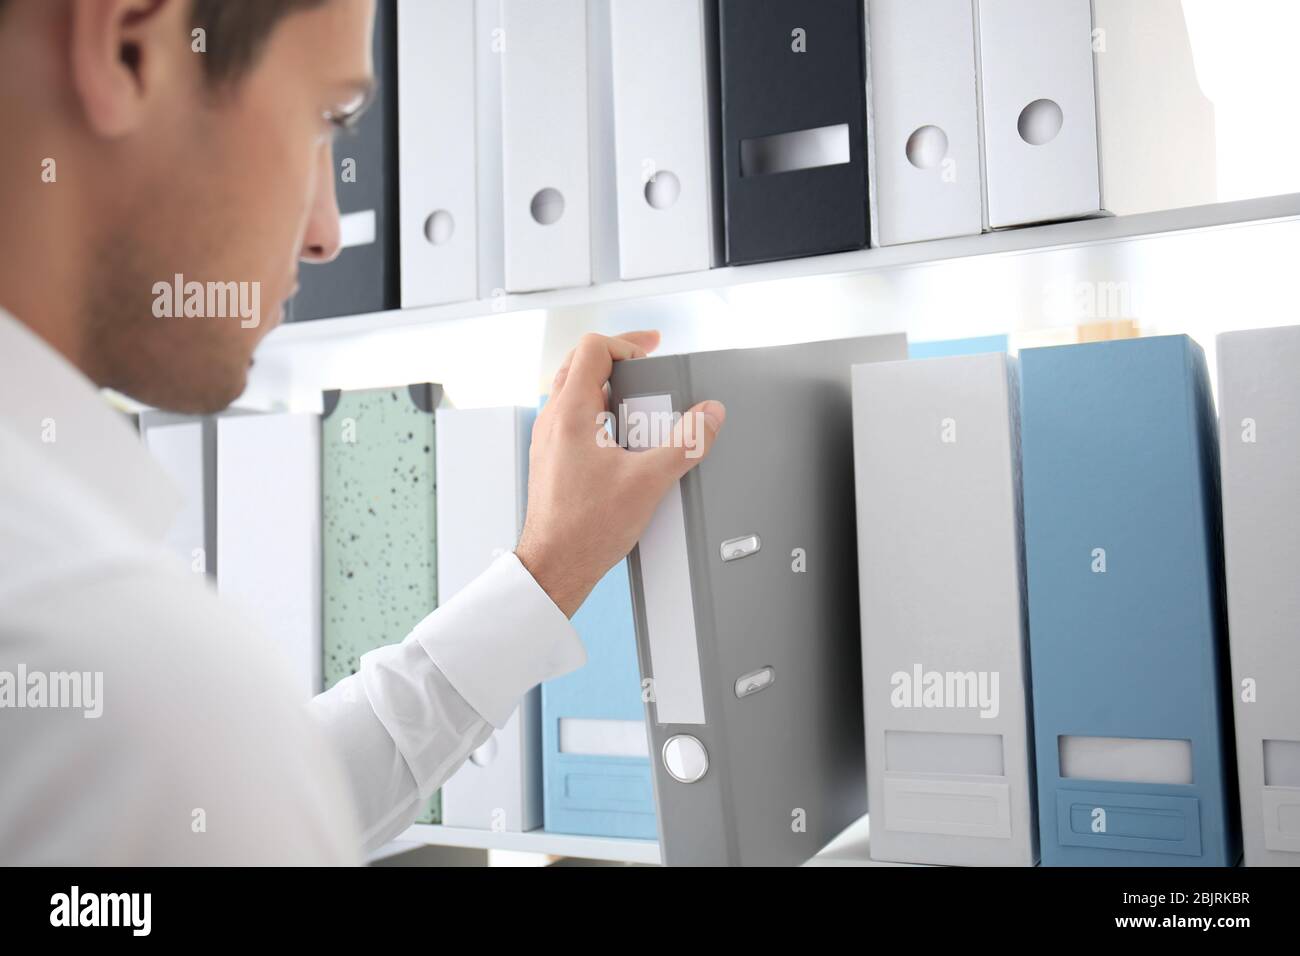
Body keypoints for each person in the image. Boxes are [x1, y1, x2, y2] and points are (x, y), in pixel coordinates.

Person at [0, 0, 726, 863]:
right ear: (127, 48)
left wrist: (547, 571)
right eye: (322, 119)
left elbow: (245, 802)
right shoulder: (103, 654)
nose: (326, 233)